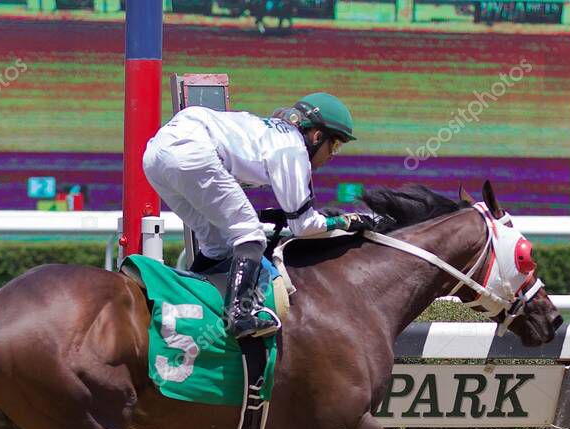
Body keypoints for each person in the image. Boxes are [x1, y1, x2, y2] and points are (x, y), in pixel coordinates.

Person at [143, 92, 392, 339]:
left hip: (155, 156)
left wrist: (273, 214)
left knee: (216, 244)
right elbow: (304, 226)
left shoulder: (276, 135)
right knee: (249, 234)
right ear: (317, 136)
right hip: (192, 150)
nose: (333, 155)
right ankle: (238, 316)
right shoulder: (294, 149)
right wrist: (347, 221)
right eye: (335, 144)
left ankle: (183, 302)